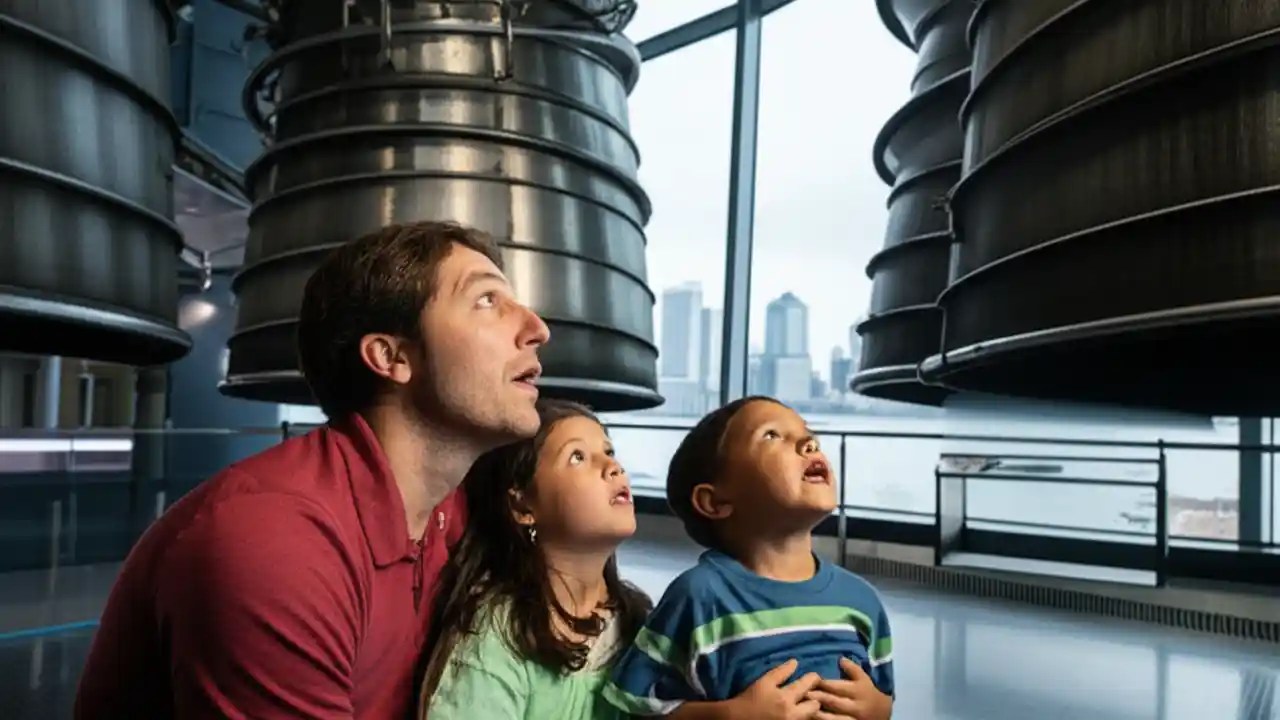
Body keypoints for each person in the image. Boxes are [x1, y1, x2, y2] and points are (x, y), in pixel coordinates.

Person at [75, 221, 550, 719]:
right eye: (486, 301)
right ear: (391, 357)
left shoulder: (446, 512)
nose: (538, 328)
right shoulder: (273, 542)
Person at [603, 396, 896, 720]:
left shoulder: (862, 601)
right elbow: (633, 702)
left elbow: (882, 695)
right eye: (772, 435)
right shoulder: (699, 596)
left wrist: (879, 709)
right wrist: (731, 715)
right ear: (714, 502)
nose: (808, 443)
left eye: (809, 435)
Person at [418, 399, 650, 719]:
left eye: (609, 452)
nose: (614, 467)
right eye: (578, 456)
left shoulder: (638, 620)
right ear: (523, 507)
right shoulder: (499, 632)